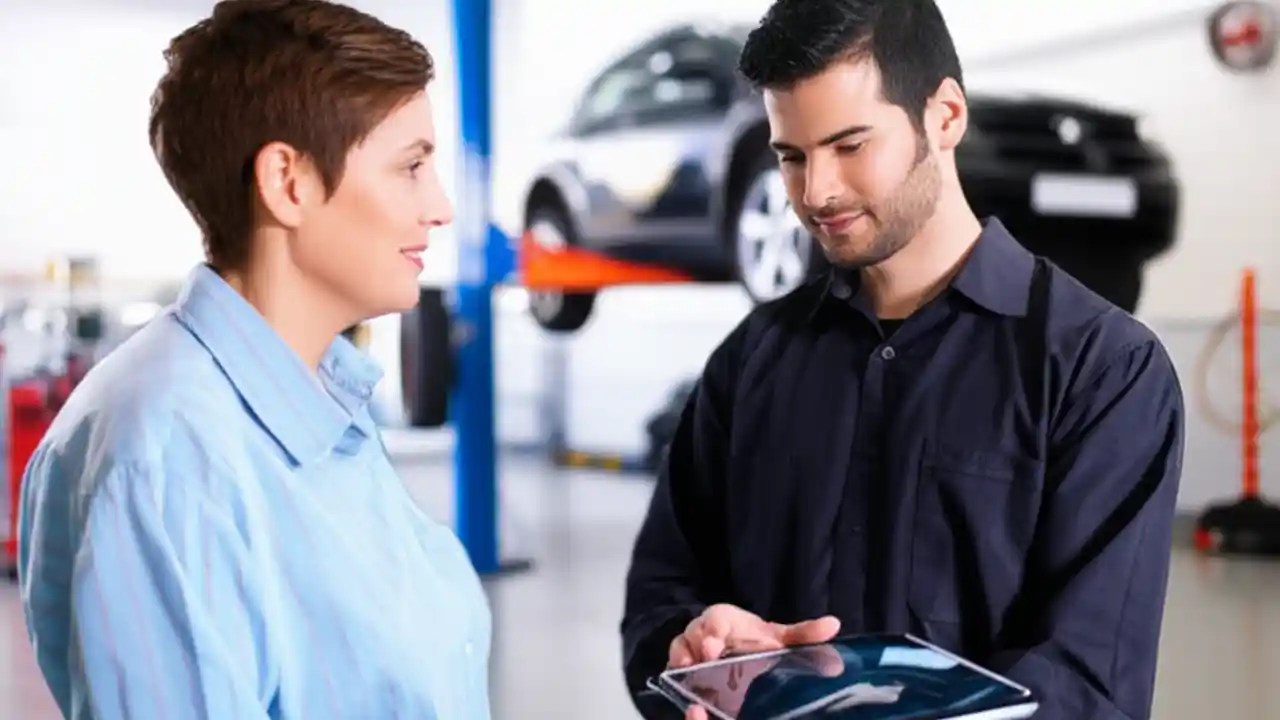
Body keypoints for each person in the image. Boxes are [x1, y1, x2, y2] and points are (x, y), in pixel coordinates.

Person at [621, 1, 1184, 719]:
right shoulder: (750, 362)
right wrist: (697, 652)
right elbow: (659, 604)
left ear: (944, 115)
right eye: (791, 155)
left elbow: (1091, 679)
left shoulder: (1101, 370)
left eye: (850, 145)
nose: (816, 190)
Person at [17, 2, 491, 718]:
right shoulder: (173, 458)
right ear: (287, 183)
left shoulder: (317, 400)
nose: (441, 207)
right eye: (412, 168)